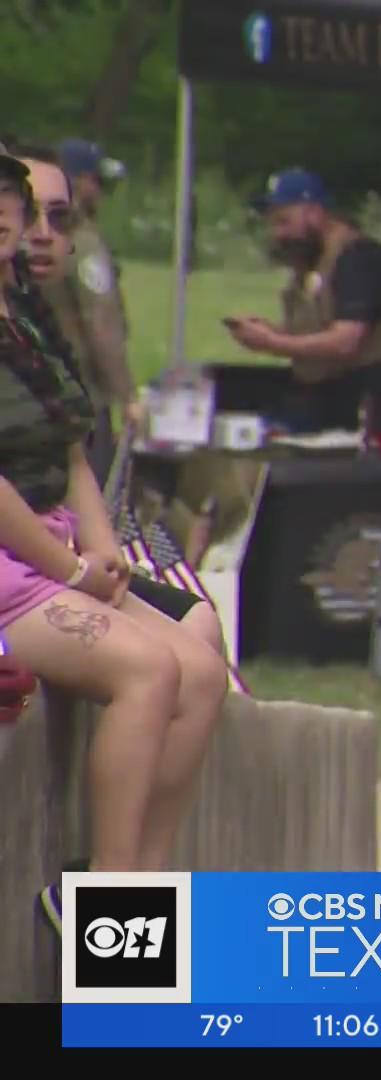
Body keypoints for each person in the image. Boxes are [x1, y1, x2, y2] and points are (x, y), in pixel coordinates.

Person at [0, 143, 225, 930]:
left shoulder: (23, 325)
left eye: (13, 214)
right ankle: (111, 897)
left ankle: (133, 887)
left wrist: (104, 554)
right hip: (10, 567)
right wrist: (69, 567)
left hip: (52, 546)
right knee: (147, 670)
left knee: (199, 667)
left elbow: (71, 454)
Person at [10, 143, 227, 661]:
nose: (42, 232)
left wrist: (96, 558)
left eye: (58, 216)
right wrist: (128, 396)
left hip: (66, 444)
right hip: (28, 568)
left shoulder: (35, 311)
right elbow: (104, 330)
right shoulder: (83, 253)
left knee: (198, 627)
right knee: (168, 655)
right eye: (25, 211)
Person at [225, 168, 381, 456]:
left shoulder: (360, 259)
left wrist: (271, 343)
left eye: (283, 222)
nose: (277, 234)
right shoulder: (313, 265)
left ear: (314, 212)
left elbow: (346, 340)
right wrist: (271, 331)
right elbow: (321, 331)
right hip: (330, 408)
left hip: (378, 416)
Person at [51, 139, 131, 478]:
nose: (100, 192)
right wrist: (128, 397)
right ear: (79, 182)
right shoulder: (82, 242)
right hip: (82, 398)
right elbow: (100, 322)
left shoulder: (34, 237)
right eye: (97, 181)